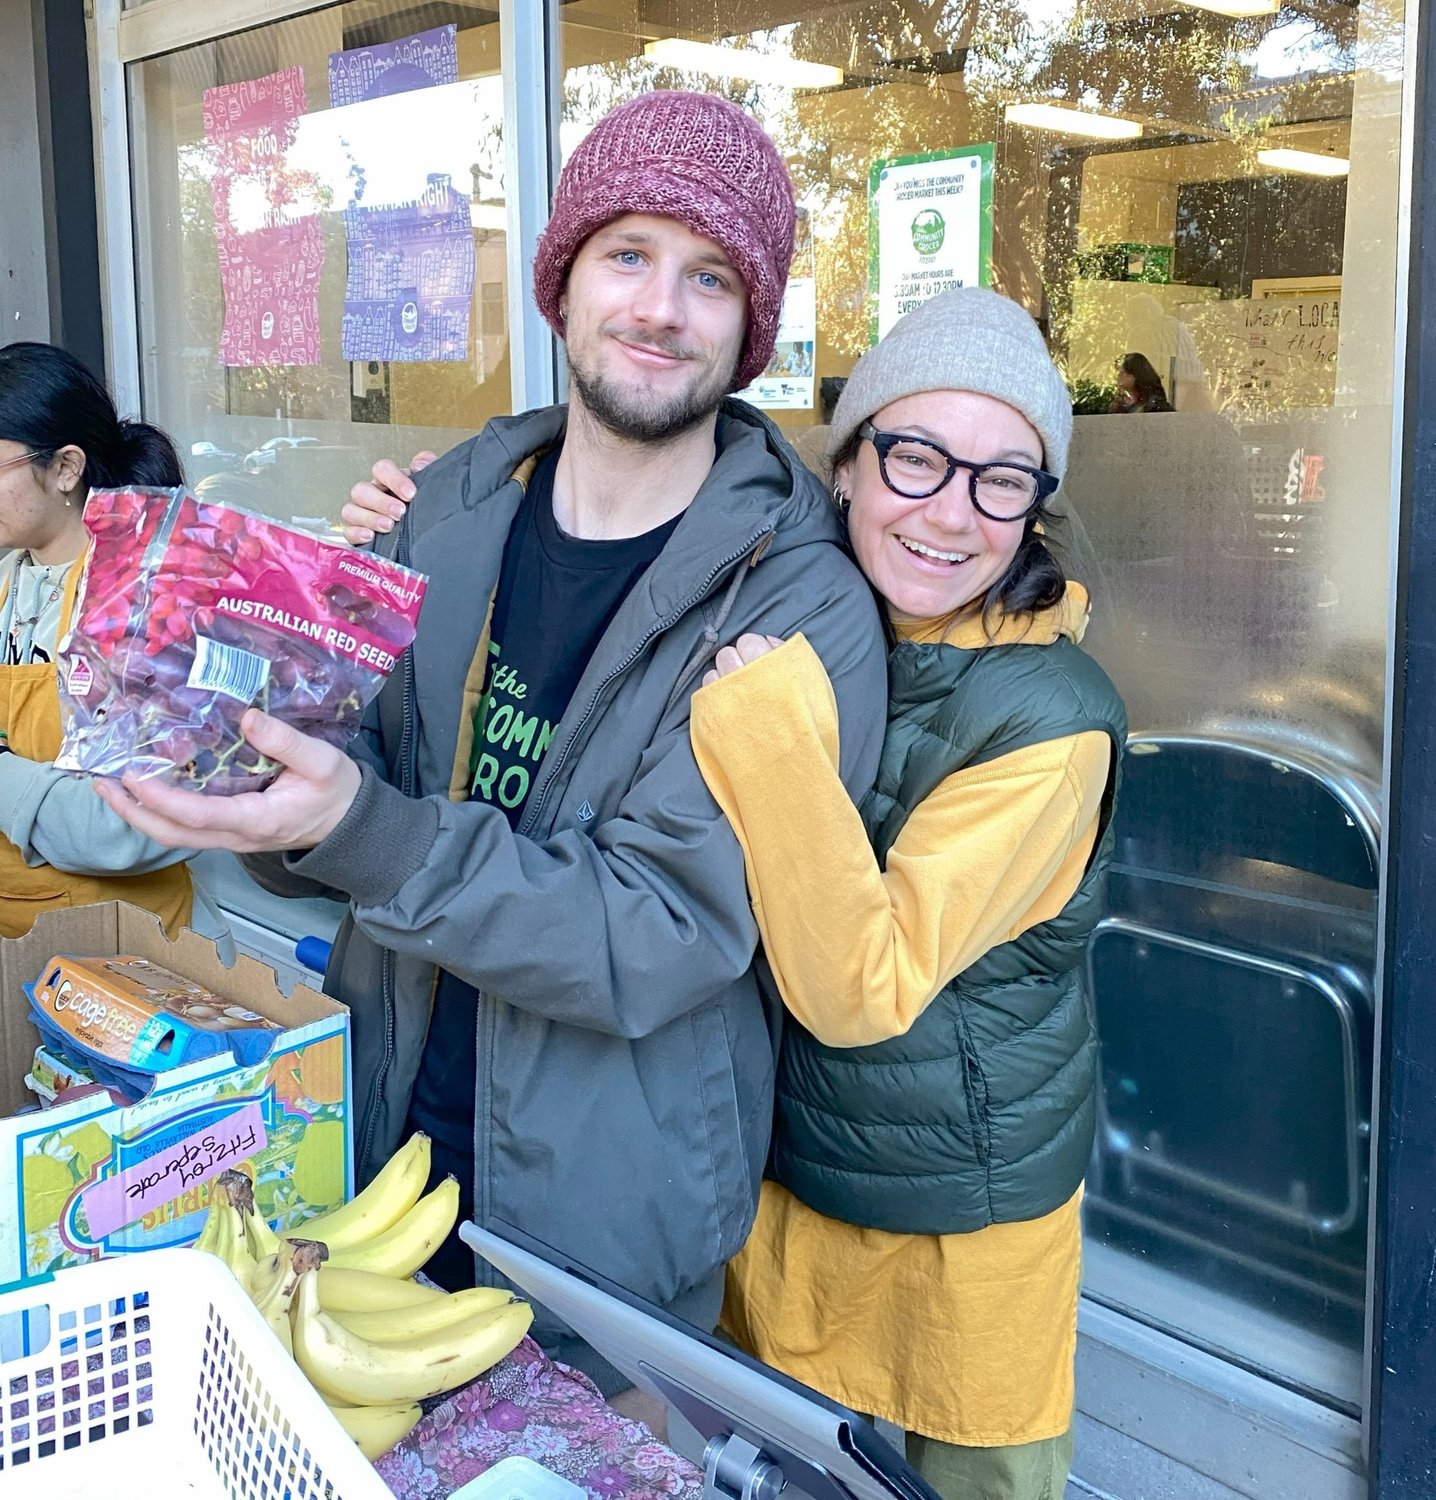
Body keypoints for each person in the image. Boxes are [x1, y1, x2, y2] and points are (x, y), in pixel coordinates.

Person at [99, 92, 887, 1395]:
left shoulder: (798, 605)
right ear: (561, 284)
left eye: (709, 276)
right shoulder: (440, 514)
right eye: (627, 254)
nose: (660, 306)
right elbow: (340, 826)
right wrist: (251, 753)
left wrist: (349, 823)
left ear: (750, 327)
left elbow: (665, 926)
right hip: (374, 1141)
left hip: (606, 1220)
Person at [686, 287, 1127, 1500]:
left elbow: (856, 989)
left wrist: (767, 737)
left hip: (954, 1240)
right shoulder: (823, 622)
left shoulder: (1051, 726)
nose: (950, 513)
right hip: (792, 1177)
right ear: (846, 464)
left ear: (1036, 510)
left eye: (1002, 479)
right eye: (917, 456)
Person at [0, 342, 227, 943]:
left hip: (126, 948)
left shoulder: (149, 603)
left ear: (66, 468)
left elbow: (129, 828)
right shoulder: (6, 581)